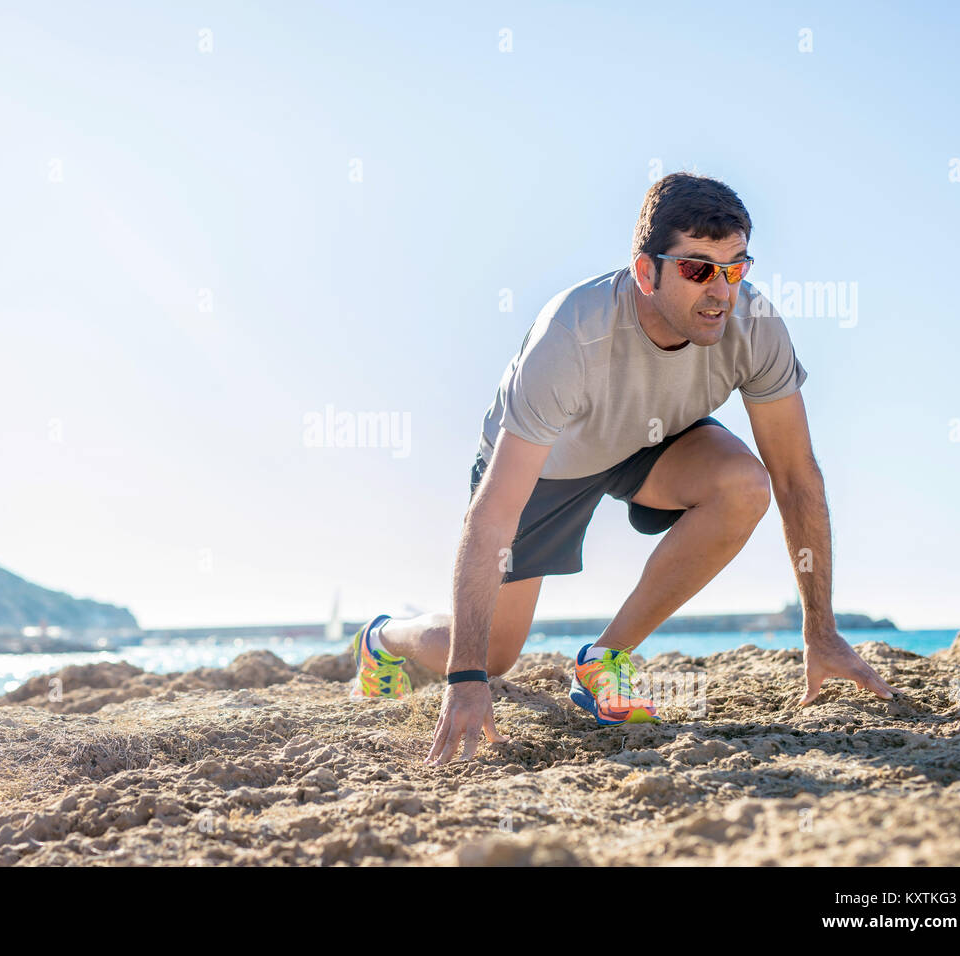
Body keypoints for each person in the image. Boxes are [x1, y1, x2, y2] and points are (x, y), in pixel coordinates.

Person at [347, 172, 898, 765]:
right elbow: (493, 517)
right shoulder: (571, 335)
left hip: (650, 442)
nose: (722, 292)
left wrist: (821, 630)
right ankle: (383, 637)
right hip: (547, 464)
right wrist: (465, 680)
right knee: (495, 654)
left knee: (747, 486)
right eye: (696, 269)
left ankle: (605, 660)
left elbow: (796, 475)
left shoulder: (754, 327)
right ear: (646, 272)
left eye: (736, 267)